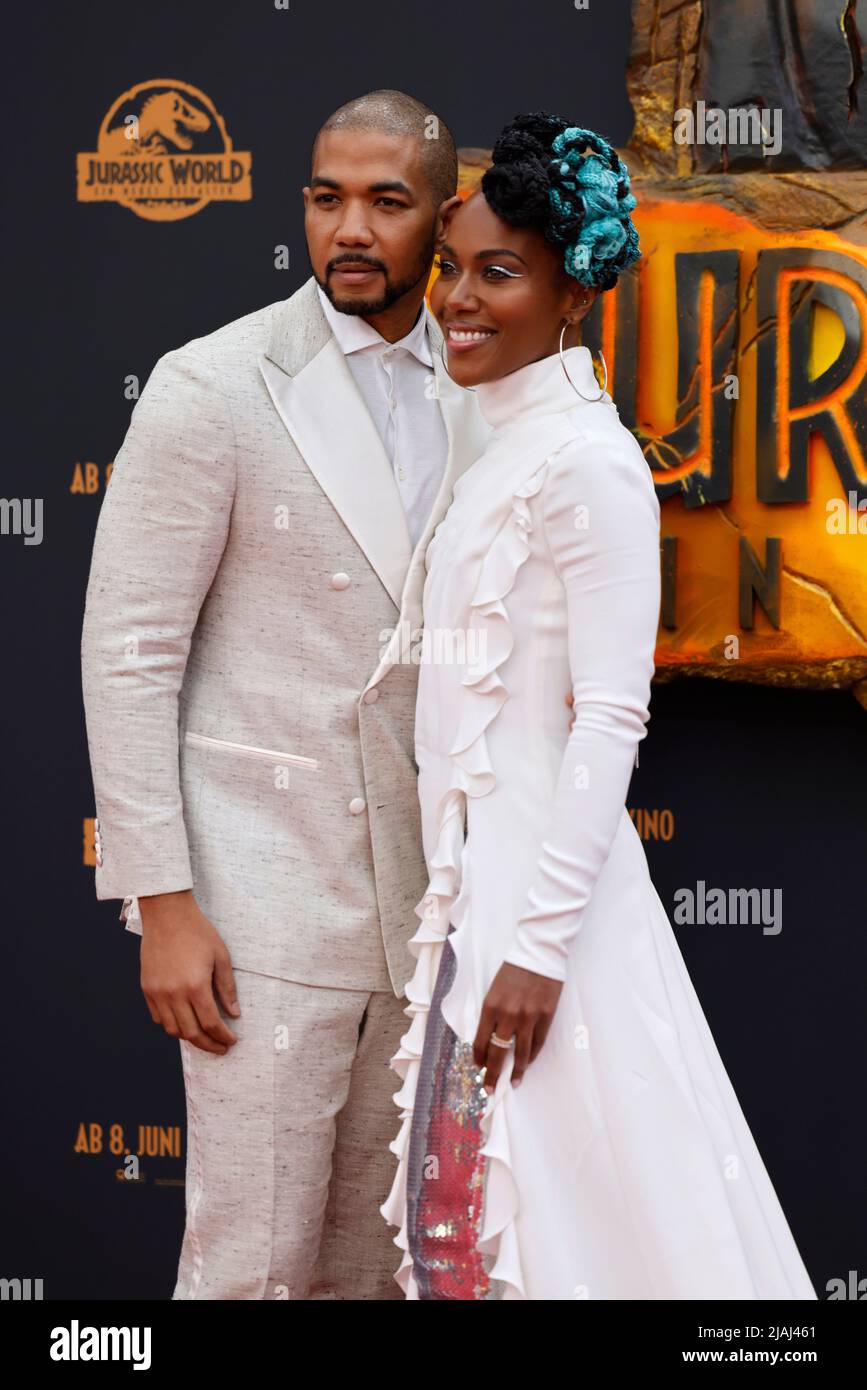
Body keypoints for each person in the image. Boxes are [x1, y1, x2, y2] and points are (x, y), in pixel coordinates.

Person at [379, 111, 818, 1301]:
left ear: (575, 292)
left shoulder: (591, 464)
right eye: (452, 269)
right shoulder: (499, 445)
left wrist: (535, 945)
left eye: (499, 273)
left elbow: (611, 718)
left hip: (545, 935)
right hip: (473, 907)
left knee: (556, 1234)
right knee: (465, 1233)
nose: (460, 300)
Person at [80, 89, 491, 1299]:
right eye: (326, 199)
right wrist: (161, 900)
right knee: (248, 1266)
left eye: (385, 200)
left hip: (429, 906)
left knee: (376, 1269)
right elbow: (130, 647)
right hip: (259, 904)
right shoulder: (213, 383)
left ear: (443, 213)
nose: (349, 228)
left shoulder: (490, 386)